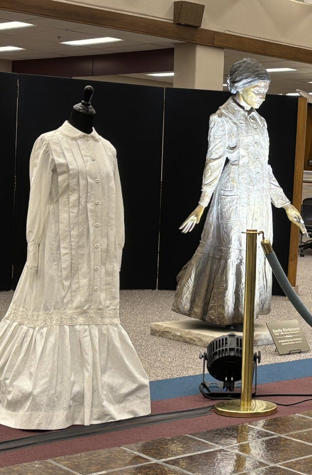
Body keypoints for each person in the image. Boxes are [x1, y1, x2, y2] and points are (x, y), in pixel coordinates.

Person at [0, 86, 151, 430]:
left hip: (96, 254)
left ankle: (95, 394)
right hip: (58, 252)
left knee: (94, 313)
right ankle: (52, 397)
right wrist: (34, 249)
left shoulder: (107, 150)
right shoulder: (49, 144)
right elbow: (36, 203)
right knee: (57, 313)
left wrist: (116, 246)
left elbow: (116, 205)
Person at [173, 58, 307, 327]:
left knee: (257, 250)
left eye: (265, 92)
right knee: (232, 249)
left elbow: (264, 168)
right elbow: (213, 162)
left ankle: (244, 311)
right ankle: (222, 310)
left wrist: (285, 204)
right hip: (233, 194)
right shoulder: (222, 119)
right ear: (239, 87)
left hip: (258, 196)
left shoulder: (260, 122)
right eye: (258, 91)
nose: (263, 97)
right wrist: (202, 204)